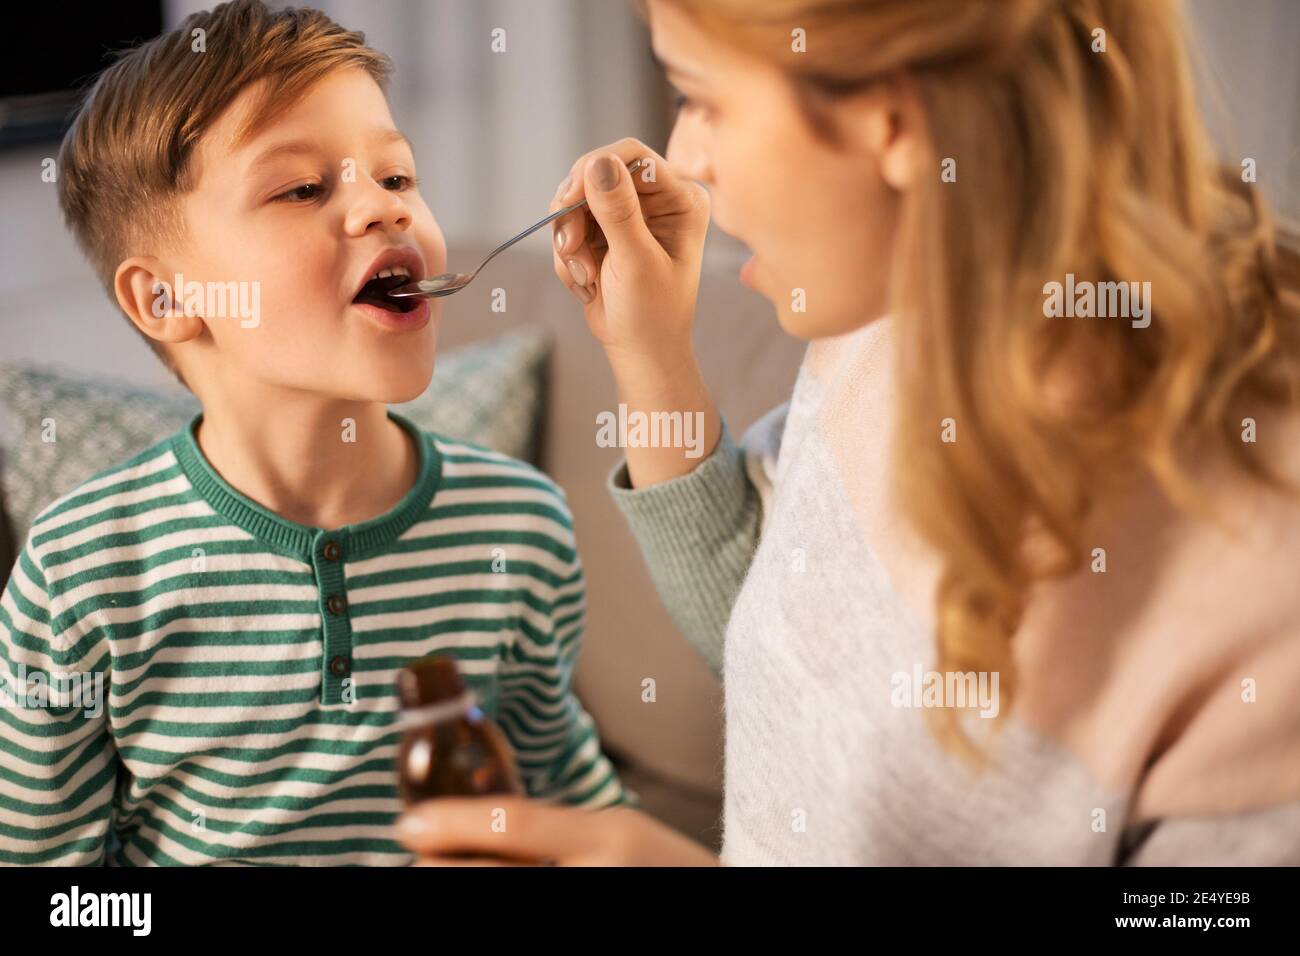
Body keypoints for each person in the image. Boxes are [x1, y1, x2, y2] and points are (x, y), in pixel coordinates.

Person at [397, 0, 1300, 865]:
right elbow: (787, 644)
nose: (685, 158)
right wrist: (649, 350)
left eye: (701, 96)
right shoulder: (882, 314)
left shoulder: (1261, 569)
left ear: (893, 117)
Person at [0, 0, 626, 867]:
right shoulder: (81, 573)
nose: (382, 209)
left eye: (397, 177)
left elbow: (570, 811)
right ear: (168, 299)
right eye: (302, 188)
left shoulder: (517, 525)